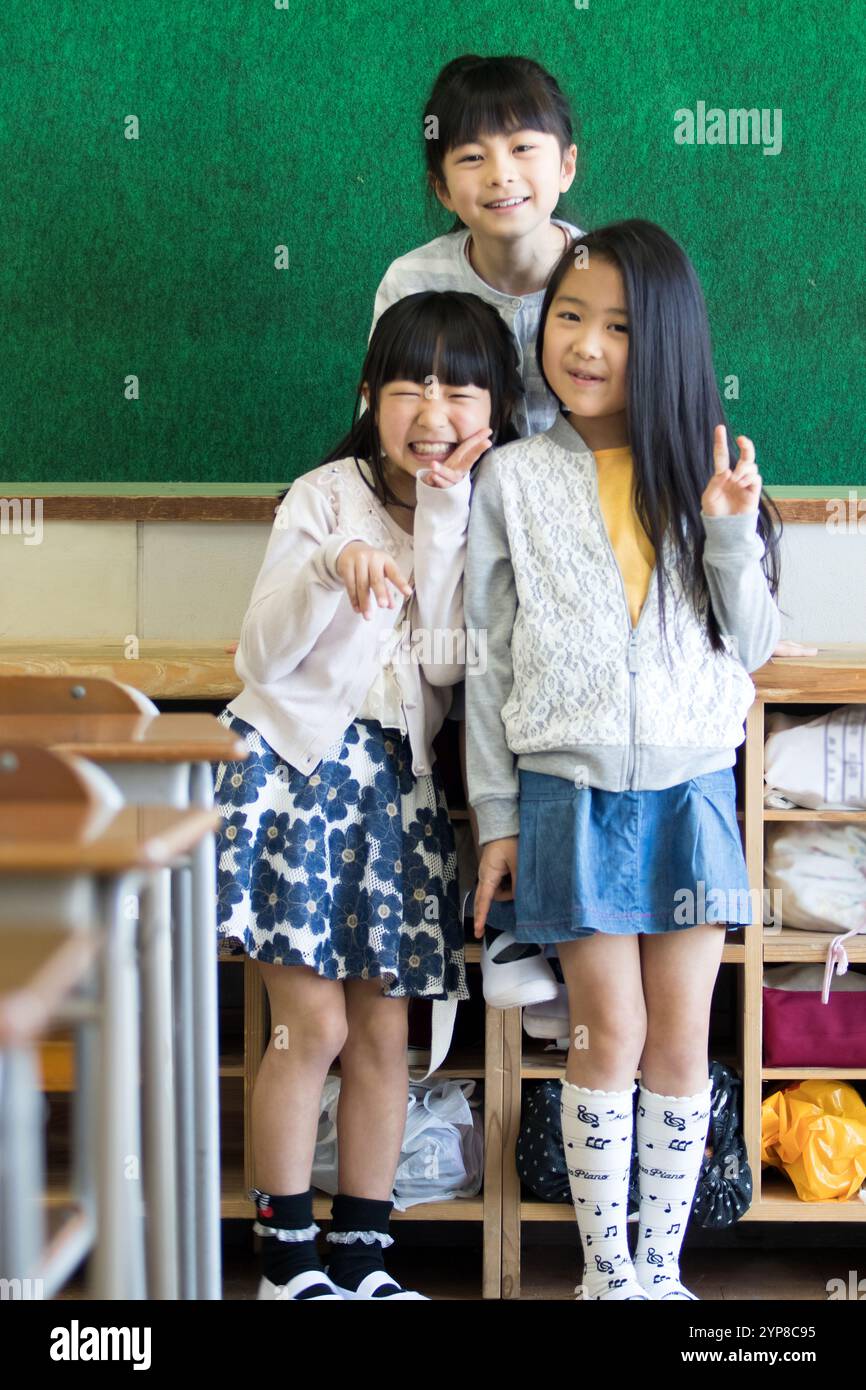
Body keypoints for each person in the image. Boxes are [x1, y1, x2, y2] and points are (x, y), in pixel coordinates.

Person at [466, 219, 782, 1300]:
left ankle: (660, 1269)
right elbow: (485, 664)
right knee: (608, 1031)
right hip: (571, 788)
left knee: (681, 1043)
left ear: (669, 345)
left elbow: (753, 646)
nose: (587, 344)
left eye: (618, 326)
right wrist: (497, 817)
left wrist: (730, 531)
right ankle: (605, 1273)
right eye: (568, 317)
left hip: (691, 788)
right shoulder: (510, 479)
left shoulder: (705, 469)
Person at [213, 289, 522, 1300]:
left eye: (458, 389)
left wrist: (437, 516)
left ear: (495, 411)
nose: (431, 410)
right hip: (300, 781)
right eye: (407, 386)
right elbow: (258, 654)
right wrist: (328, 570)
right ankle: (285, 1258)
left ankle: (362, 1255)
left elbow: (439, 664)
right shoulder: (322, 494)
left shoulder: (481, 511)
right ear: (368, 396)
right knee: (312, 1029)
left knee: (384, 1034)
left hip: (398, 794)